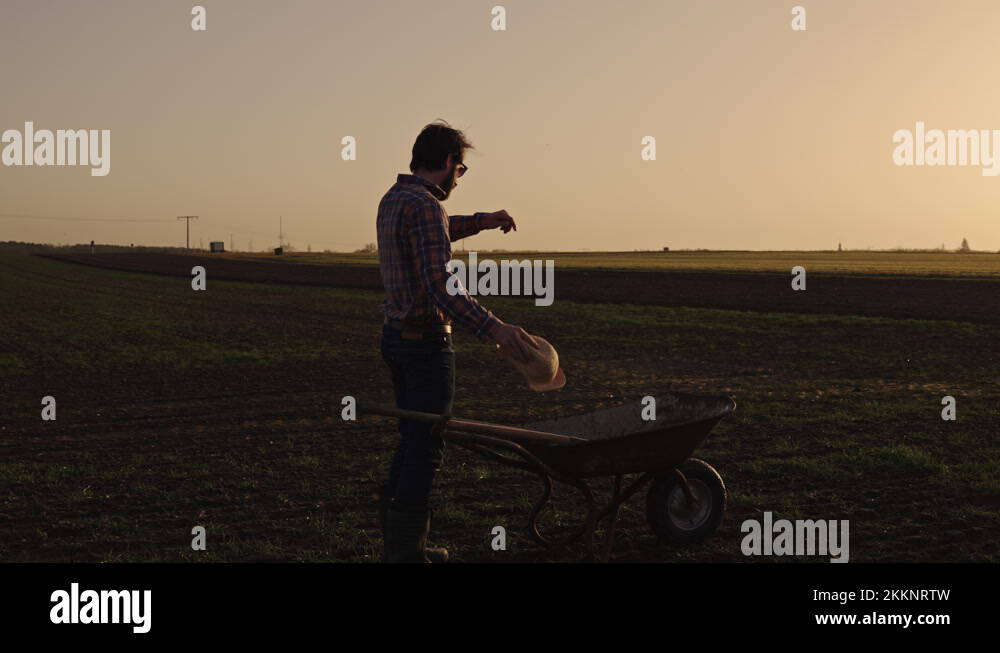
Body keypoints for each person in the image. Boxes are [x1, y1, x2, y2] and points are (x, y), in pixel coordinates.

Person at [376, 120, 536, 563]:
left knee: (411, 439)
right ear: (447, 163)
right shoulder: (425, 207)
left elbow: (434, 231)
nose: (458, 179)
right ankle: (408, 555)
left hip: (395, 339)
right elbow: (441, 284)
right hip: (426, 347)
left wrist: (483, 221)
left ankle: (399, 546)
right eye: (460, 171)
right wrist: (495, 328)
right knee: (425, 447)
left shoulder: (394, 199)